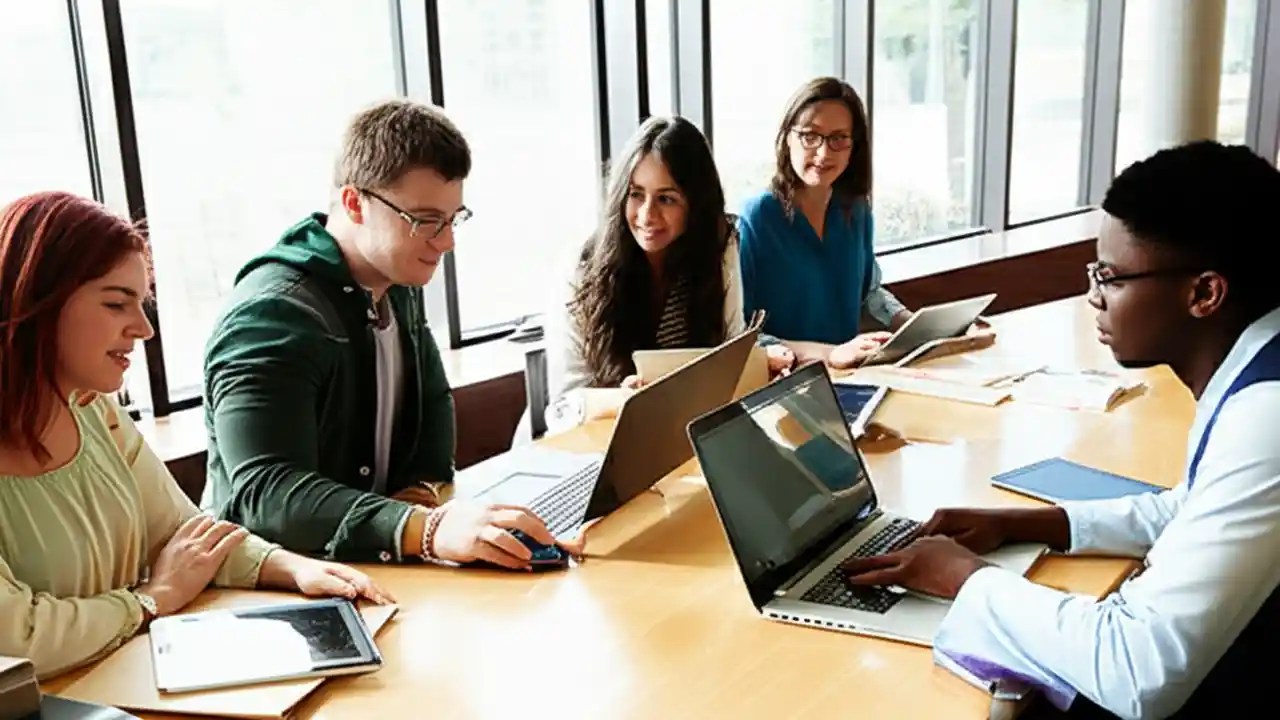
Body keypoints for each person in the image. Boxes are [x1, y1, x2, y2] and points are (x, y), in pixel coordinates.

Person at [842, 141, 1280, 719]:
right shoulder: (1256, 366)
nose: (1093, 296)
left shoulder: (1265, 418)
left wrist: (965, 579)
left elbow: (1141, 672)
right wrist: (1031, 523)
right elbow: (1196, 508)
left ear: (1204, 292)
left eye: (1111, 276)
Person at [0, 192, 390, 680]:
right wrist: (152, 600)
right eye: (117, 303)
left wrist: (291, 568)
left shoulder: (98, 414)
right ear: (36, 301)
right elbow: (20, 637)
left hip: (126, 685)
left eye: (141, 304)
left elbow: (184, 536)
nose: (143, 329)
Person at [203, 99, 569, 571]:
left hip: (370, 567)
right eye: (425, 220)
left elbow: (433, 410)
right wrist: (426, 529)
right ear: (355, 203)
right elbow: (267, 497)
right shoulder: (270, 316)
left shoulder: (394, 280)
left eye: (453, 218)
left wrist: (418, 500)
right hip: (274, 584)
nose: (447, 242)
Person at [540, 115, 792, 432]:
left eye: (666, 199)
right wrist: (626, 399)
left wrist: (754, 367)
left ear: (696, 204)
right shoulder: (581, 267)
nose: (647, 215)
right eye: (635, 194)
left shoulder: (719, 247)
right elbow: (562, 410)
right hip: (603, 443)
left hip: (685, 437)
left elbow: (728, 350)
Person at [738, 77, 914, 369]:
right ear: (787, 139)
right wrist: (830, 353)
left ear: (853, 146)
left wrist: (925, 329)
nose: (823, 153)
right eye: (810, 136)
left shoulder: (855, 211)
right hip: (784, 385)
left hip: (850, 376)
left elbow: (869, 293)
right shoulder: (756, 218)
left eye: (838, 139)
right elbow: (741, 336)